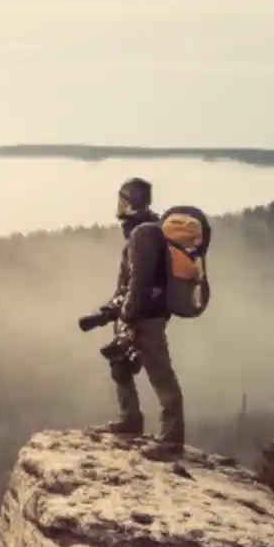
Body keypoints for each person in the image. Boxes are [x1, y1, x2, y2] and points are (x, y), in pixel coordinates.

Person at [78, 177, 185, 461]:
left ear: (129, 202)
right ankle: (130, 419)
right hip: (140, 312)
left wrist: (127, 313)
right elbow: (130, 281)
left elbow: (139, 279)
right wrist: (108, 312)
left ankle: (172, 439)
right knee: (120, 363)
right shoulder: (146, 229)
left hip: (145, 316)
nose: (118, 206)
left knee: (161, 375)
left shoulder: (143, 234)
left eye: (122, 200)